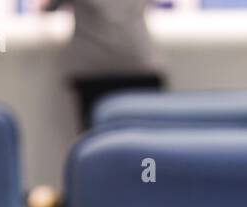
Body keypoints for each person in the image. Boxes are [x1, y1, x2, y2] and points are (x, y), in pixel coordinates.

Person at [44, 0, 164, 130]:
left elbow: (50, 7)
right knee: (145, 134)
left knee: (95, 135)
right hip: (139, 63)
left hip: (92, 67)